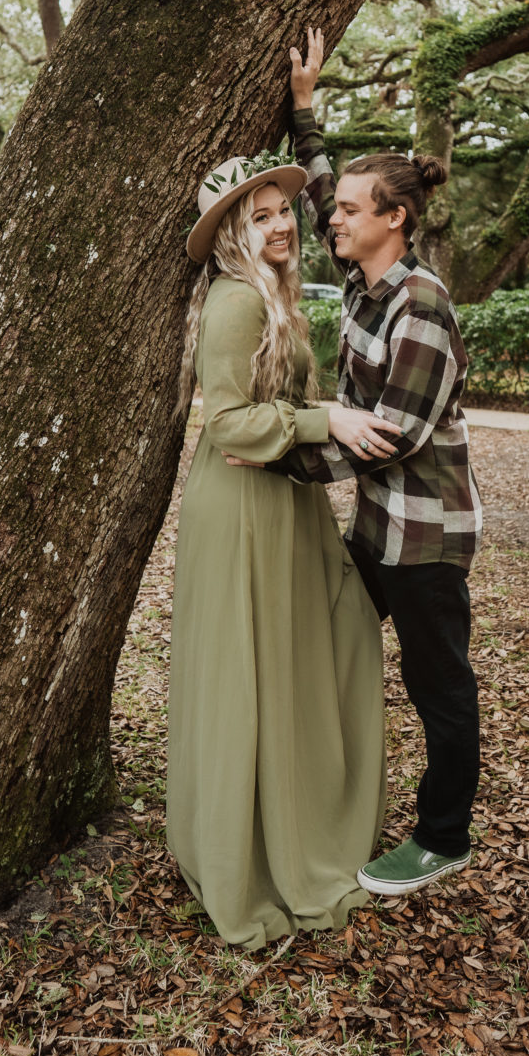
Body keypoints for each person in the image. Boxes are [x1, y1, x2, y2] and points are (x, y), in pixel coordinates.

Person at [233, 29, 483, 898]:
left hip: (425, 535)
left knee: (437, 682)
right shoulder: (359, 278)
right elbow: (315, 190)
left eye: (348, 210)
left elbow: (388, 438)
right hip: (379, 523)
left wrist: (271, 453)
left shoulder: (420, 307)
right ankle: (321, 792)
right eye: (334, 208)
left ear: (393, 219)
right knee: (329, 637)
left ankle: (443, 837)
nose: (329, 218)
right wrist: (303, 105)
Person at [165, 151, 401, 947]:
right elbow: (228, 424)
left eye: (281, 212)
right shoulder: (235, 300)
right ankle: (252, 857)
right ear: (233, 231)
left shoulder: (273, 295)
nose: (280, 226)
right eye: (259, 216)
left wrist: (316, 419)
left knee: (326, 639)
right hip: (242, 509)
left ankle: (297, 820)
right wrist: (323, 419)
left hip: (282, 497)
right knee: (252, 669)